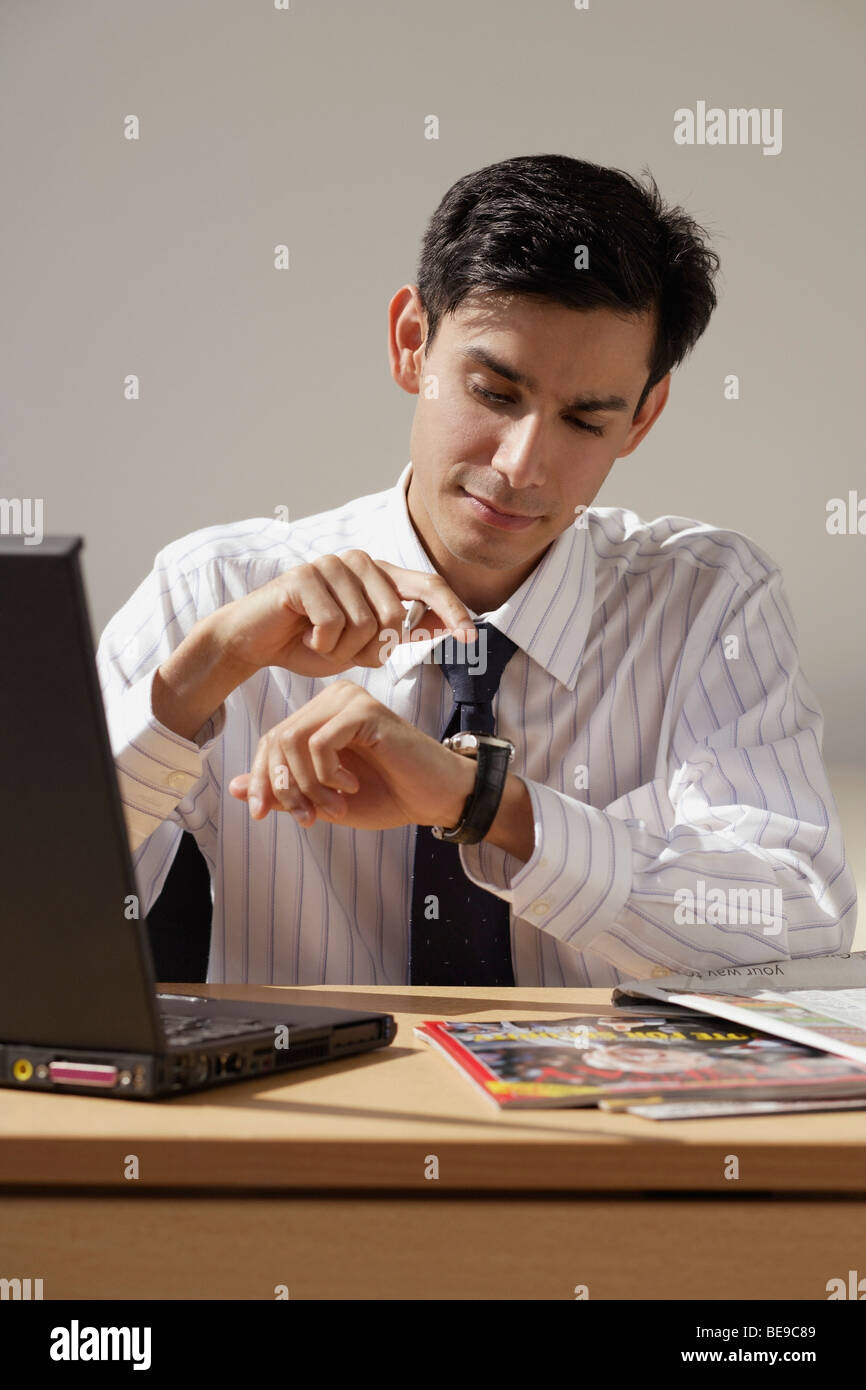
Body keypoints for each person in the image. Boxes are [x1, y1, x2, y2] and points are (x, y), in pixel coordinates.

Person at [97, 153, 856, 987]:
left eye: (584, 419)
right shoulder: (213, 591)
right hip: (310, 1114)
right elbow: (30, 906)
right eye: (494, 393)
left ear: (643, 416)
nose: (523, 464)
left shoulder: (710, 602)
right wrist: (204, 677)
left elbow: (801, 932)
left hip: (608, 1116)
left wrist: (486, 803)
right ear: (411, 344)